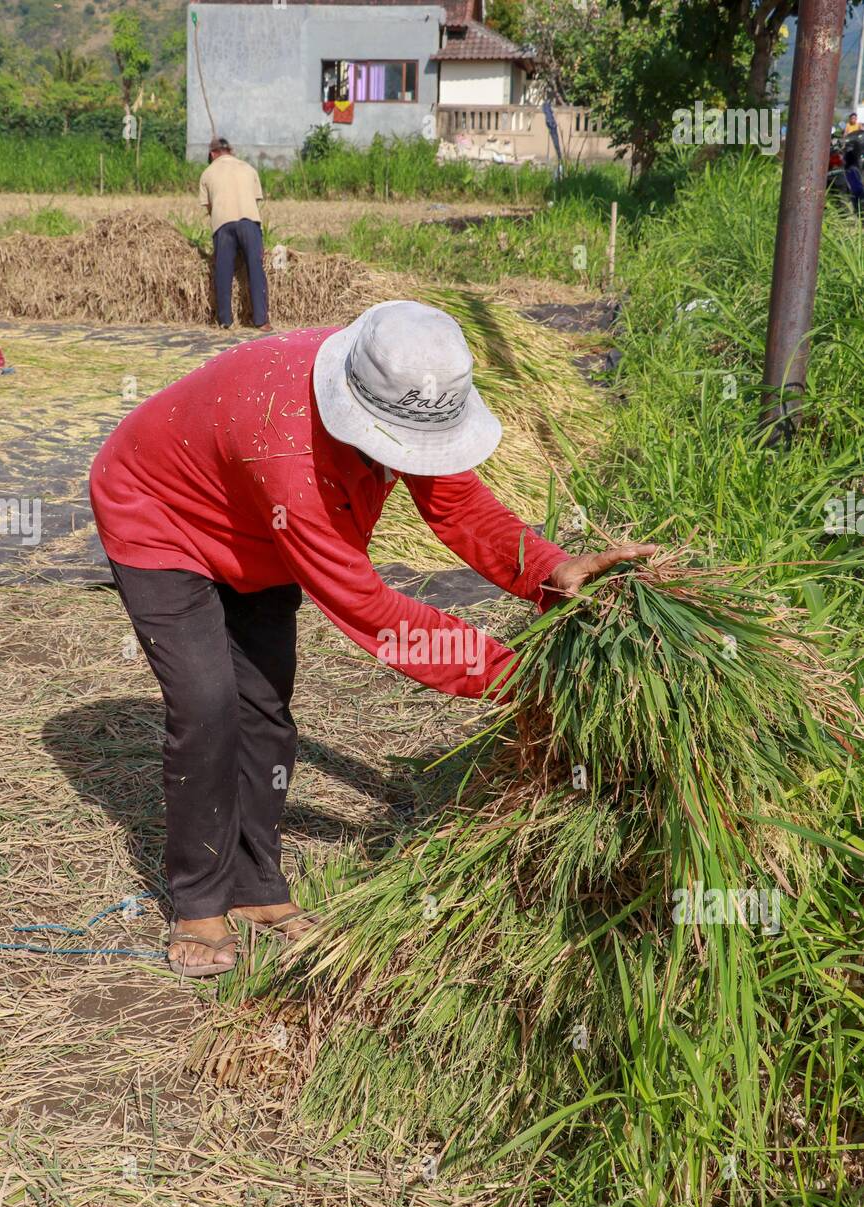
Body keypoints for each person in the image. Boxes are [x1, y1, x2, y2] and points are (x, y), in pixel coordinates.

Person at [89, 300, 655, 977]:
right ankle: (199, 899)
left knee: (266, 703)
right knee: (209, 702)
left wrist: (548, 568)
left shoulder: (400, 380)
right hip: (160, 515)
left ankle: (255, 885)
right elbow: (379, 618)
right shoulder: (292, 454)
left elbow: (457, 502)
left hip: (255, 528)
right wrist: (520, 678)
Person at [199, 136, 272, 331]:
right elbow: (255, 199)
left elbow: (209, 207)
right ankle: (261, 321)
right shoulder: (248, 168)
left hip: (223, 224)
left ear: (212, 154)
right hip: (249, 221)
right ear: (230, 151)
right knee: (256, 269)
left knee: (223, 271)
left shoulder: (207, 173)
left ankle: (225, 321)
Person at [844, 145, 864, 216]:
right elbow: (860, 179)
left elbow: (847, 182)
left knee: (857, 209)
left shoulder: (846, 171)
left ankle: (860, 222)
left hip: (853, 191)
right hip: (860, 189)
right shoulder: (855, 169)